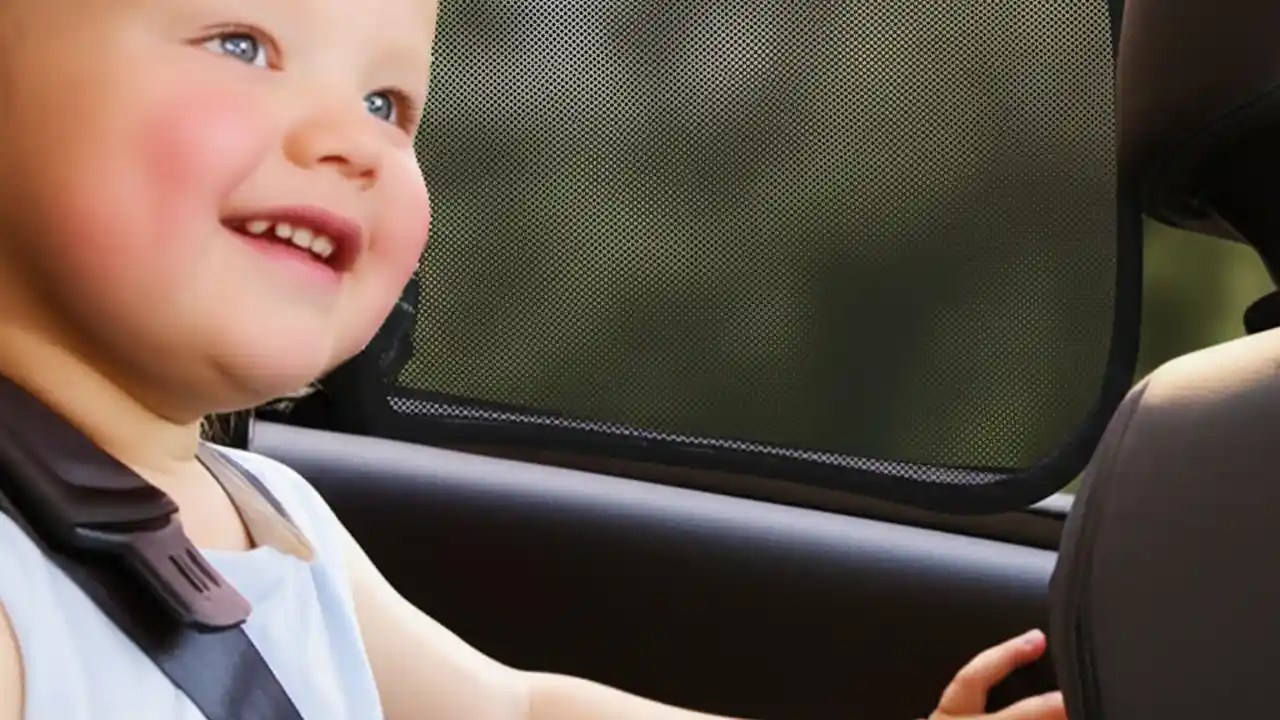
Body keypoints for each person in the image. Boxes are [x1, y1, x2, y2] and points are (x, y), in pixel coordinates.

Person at [0, 0, 1066, 718]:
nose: (352, 138)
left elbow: (511, 708)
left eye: (389, 104)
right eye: (243, 44)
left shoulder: (275, 518)